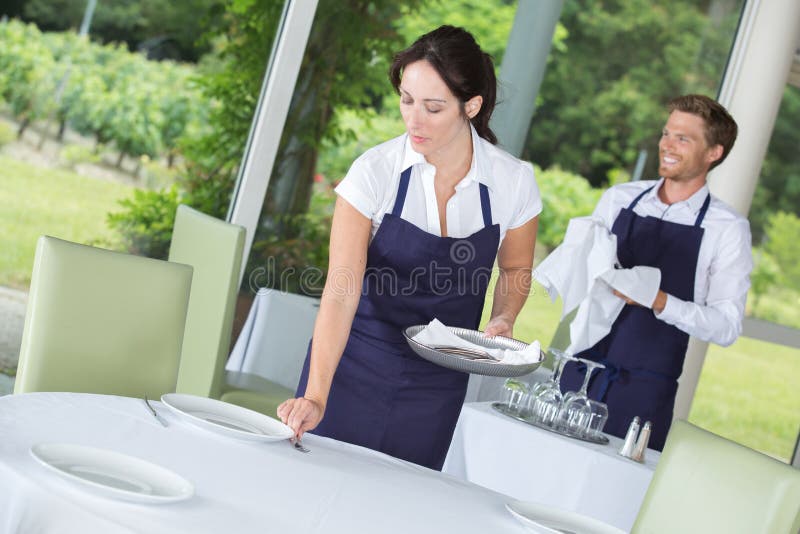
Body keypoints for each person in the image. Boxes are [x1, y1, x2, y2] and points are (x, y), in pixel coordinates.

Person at [277, 25, 542, 470]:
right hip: (352, 367)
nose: (414, 120)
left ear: (471, 107)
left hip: (438, 384)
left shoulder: (511, 182)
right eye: (407, 100)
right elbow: (341, 290)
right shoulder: (373, 174)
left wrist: (504, 316)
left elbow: (515, 269)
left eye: (433, 108)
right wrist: (315, 395)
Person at [559, 94, 753, 451]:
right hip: (581, 369)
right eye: (667, 133)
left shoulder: (726, 228)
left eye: (684, 138)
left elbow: (727, 326)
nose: (667, 145)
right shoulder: (619, 198)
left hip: (644, 393)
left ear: (714, 153)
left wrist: (660, 301)